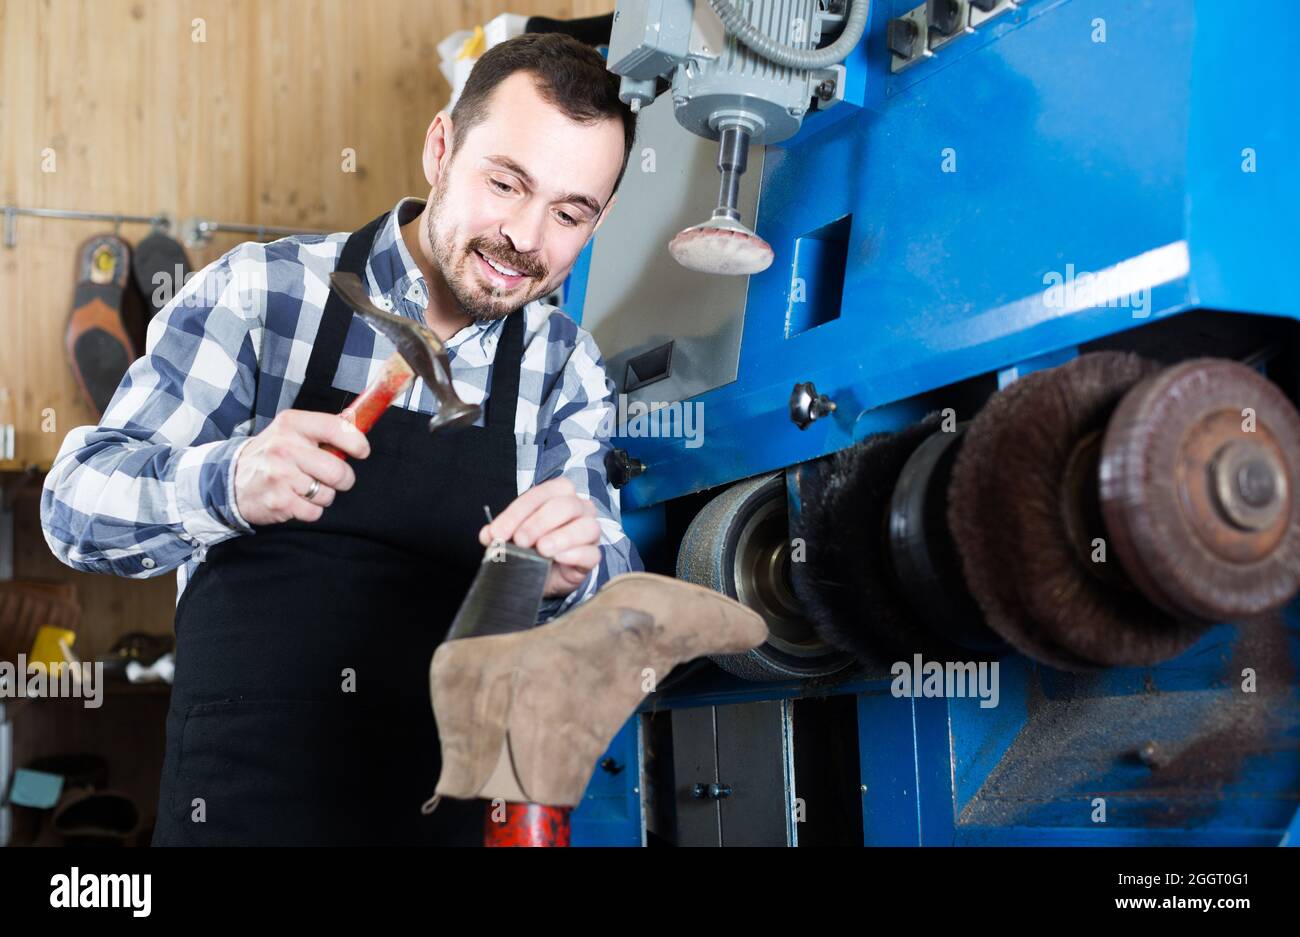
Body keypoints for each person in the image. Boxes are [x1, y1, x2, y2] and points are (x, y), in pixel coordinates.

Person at [40, 32, 644, 845]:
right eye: (505, 183)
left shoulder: (562, 364)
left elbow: (613, 609)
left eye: (570, 214)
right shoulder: (265, 294)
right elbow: (74, 506)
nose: (526, 239)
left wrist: (580, 572)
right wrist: (231, 480)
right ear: (441, 148)